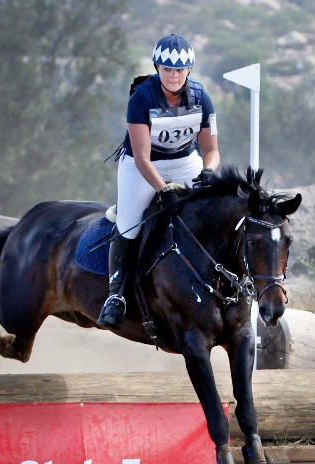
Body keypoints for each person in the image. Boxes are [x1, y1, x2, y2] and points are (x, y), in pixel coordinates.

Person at [97, 33, 220, 328]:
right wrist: (162, 190)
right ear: (157, 68)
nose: (173, 75)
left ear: (188, 70)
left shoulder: (202, 98)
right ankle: (116, 295)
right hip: (142, 166)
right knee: (128, 223)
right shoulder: (141, 98)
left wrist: (208, 171)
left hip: (185, 161)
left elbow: (213, 150)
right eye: (167, 69)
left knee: (211, 214)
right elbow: (142, 157)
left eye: (179, 70)